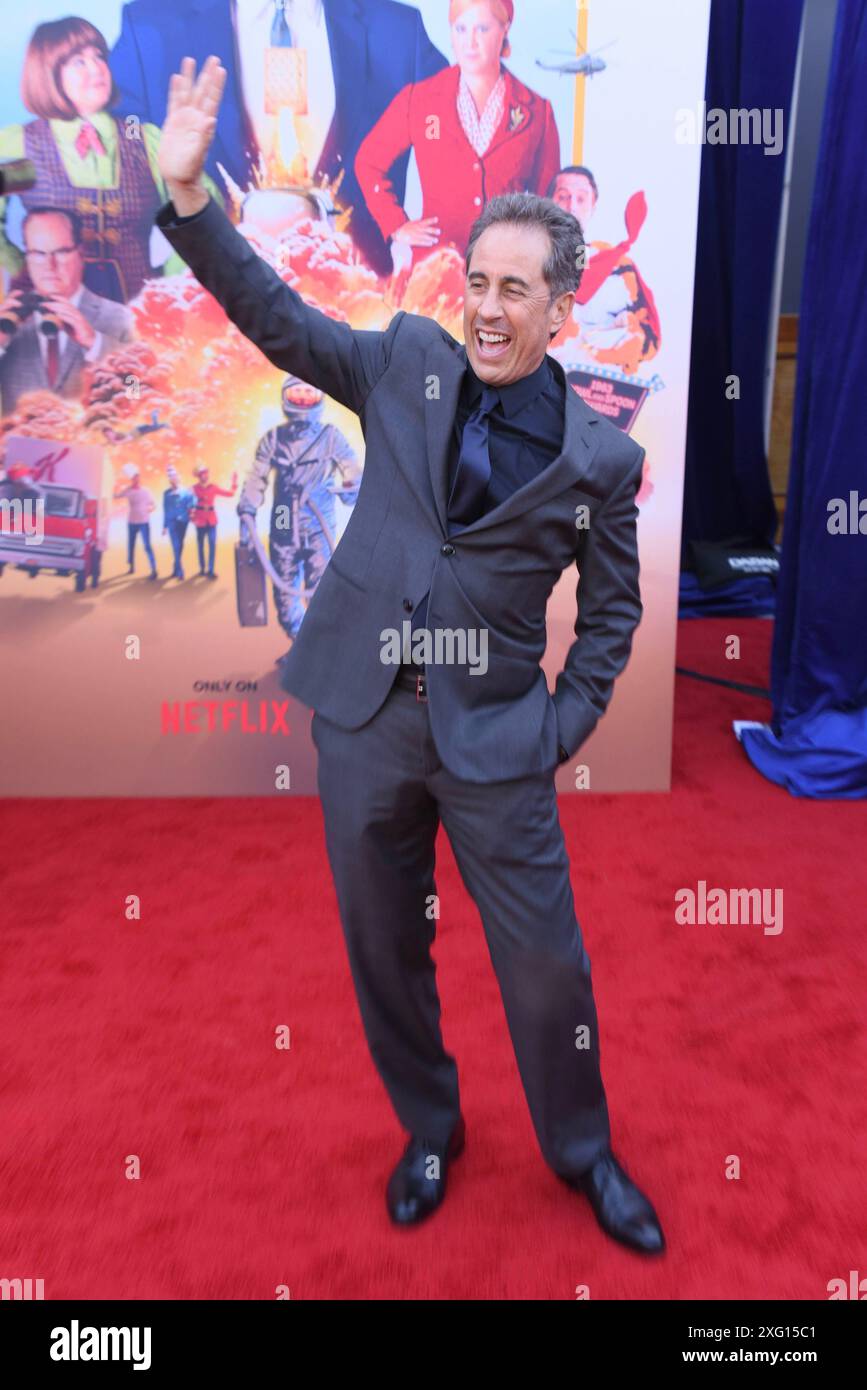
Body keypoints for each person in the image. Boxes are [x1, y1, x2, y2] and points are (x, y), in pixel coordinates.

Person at [155, 57, 664, 1253]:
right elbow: (277, 318)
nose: (488, 307)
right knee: (385, 945)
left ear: (560, 309)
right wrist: (191, 202)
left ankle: (584, 1153)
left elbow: (612, 619)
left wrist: (557, 728)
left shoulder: (600, 460)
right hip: (365, 716)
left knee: (546, 968)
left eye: (515, 290)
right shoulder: (401, 362)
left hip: (497, 740)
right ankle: (430, 1128)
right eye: (477, 280)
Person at [109, 0, 447, 277]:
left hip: (362, 324)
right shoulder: (148, 29)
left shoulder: (400, 32)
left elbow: (462, 136)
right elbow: (111, 165)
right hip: (203, 327)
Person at [0, 16, 223, 304]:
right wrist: (24, 272)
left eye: (98, 57)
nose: (96, 68)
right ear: (48, 73)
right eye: (79, 61)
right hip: (56, 318)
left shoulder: (137, 132)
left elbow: (203, 211)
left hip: (139, 318)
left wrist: (173, 280)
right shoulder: (22, 142)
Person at [354, 0, 561, 272]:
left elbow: (547, 201)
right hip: (435, 272)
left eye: (482, 29)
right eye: (460, 29)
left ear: (504, 29)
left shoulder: (537, 112)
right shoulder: (420, 100)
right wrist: (395, 224)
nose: (469, 42)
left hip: (505, 275)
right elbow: (368, 162)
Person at [238, 373, 360, 655]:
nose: (304, 402)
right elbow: (256, 477)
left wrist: (352, 488)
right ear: (286, 399)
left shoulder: (331, 437)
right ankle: (301, 646)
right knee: (285, 596)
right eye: (298, 396)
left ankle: (320, 655)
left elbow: (352, 469)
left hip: (320, 528)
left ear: (319, 399)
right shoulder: (273, 439)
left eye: (309, 395)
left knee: (322, 591)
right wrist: (246, 511)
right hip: (284, 527)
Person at [0, 207, 133, 417]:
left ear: (82, 253)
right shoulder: (7, 320)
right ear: (27, 256)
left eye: (61, 252)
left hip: (96, 446)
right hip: (16, 446)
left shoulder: (120, 319)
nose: (49, 265)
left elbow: (137, 394)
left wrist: (96, 343)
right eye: (38, 253)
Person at [547, 165, 660, 371]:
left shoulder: (617, 267)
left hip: (594, 388)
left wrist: (628, 329)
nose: (572, 206)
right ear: (548, 202)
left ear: (593, 206)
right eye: (563, 196)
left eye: (581, 199)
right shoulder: (524, 261)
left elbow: (648, 335)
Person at [191, 463, 238, 579]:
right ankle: (202, 568)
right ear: (198, 476)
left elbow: (230, 494)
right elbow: (187, 504)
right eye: (202, 474)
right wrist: (192, 518)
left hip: (211, 521)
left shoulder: (213, 487)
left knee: (212, 545)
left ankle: (210, 570)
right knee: (200, 546)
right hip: (200, 520)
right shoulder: (194, 489)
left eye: (206, 474)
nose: (205, 476)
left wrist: (234, 483)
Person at [114, 465, 158, 578]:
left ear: (139, 478)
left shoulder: (146, 491)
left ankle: (153, 568)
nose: (135, 479)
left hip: (144, 522)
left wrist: (150, 509)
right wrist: (111, 485)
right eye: (133, 478)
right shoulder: (128, 490)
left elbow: (153, 504)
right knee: (131, 545)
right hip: (132, 522)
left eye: (137, 477)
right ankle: (131, 566)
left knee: (147, 545)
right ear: (131, 479)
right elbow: (116, 496)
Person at [162, 465, 195, 579]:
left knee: (180, 545)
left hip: (183, 522)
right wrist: (164, 526)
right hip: (172, 522)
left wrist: (192, 497)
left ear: (178, 478)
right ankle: (180, 570)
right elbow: (165, 509)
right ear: (169, 480)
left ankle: (175, 568)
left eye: (175, 477)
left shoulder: (186, 491)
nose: (173, 479)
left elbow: (191, 503)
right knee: (176, 545)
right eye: (171, 478)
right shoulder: (166, 493)